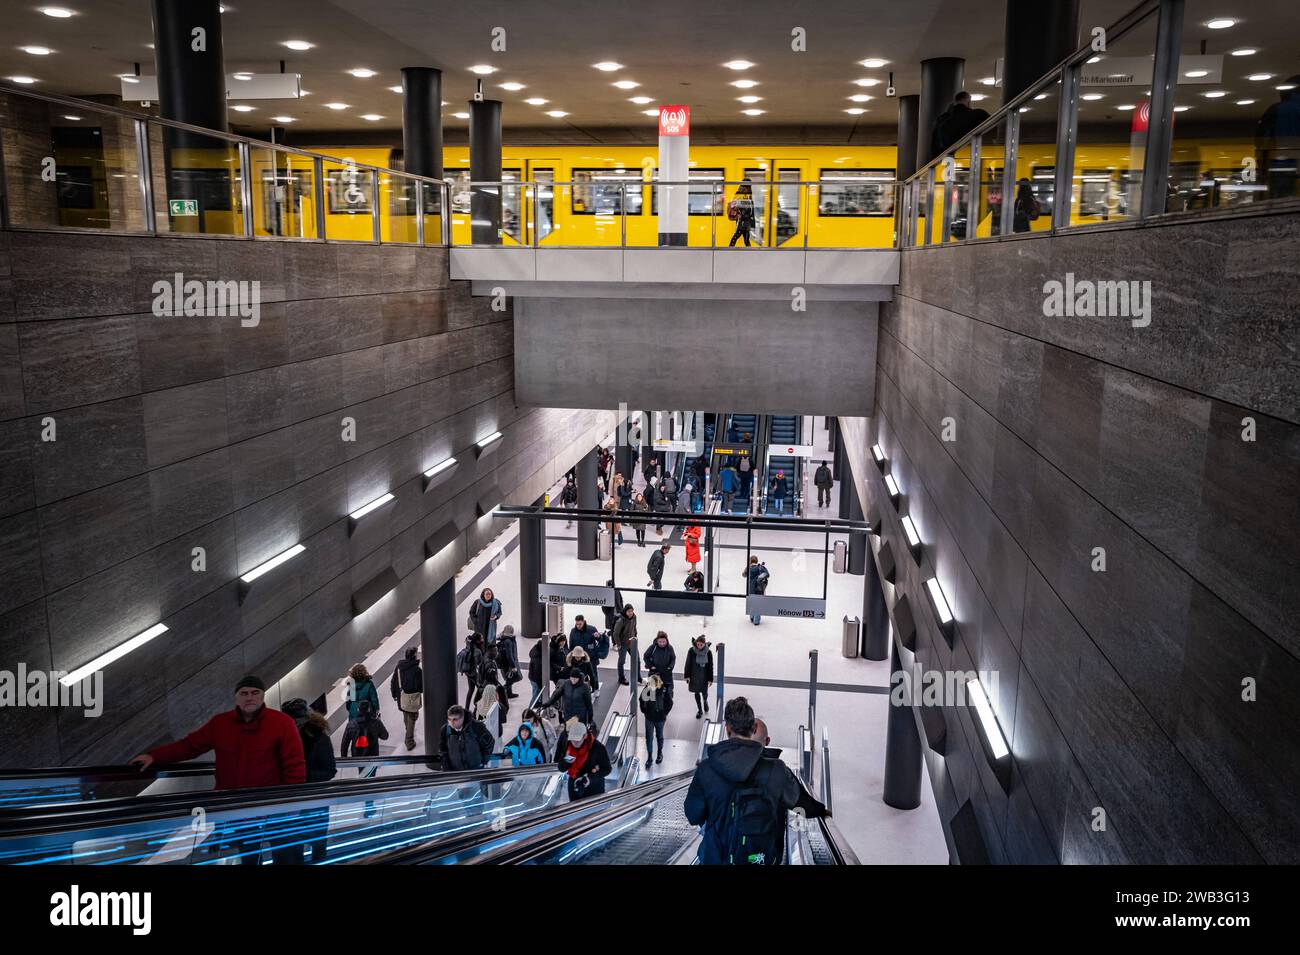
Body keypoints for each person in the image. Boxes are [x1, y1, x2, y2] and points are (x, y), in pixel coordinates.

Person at [131, 675, 306, 791]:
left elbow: (295, 764)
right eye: (244, 693)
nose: (249, 697)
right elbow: (189, 746)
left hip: (265, 803)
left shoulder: (282, 723)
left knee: (279, 846)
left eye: (255, 693)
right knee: (241, 847)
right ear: (236, 698)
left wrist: (290, 800)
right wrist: (154, 756)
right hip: (228, 802)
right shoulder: (220, 723)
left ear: (262, 696)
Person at [683, 696, 801, 865]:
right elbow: (797, 803)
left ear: (727, 728)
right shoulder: (777, 769)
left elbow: (693, 815)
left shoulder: (706, 769)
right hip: (759, 858)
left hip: (716, 857)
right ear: (754, 728)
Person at [282, 698, 335, 864]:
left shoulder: (319, 738)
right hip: (290, 802)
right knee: (293, 849)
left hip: (313, 801)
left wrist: (301, 776)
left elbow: (329, 770)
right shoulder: (281, 739)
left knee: (317, 846)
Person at [556, 718, 612, 802]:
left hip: (594, 789)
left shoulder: (598, 748)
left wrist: (590, 777)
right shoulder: (569, 746)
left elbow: (607, 769)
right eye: (573, 739)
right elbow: (561, 768)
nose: (575, 743)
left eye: (578, 739)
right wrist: (567, 760)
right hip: (574, 787)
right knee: (574, 812)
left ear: (585, 736)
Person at [439, 705, 495, 771]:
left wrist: (483, 761)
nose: (452, 723)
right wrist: (446, 767)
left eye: (455, 719)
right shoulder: (445, 730)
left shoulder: (477, 726)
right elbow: (443, 750)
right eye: (449, 719)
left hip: (475, 770)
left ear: (462, 718)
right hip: (455, 773)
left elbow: (489, 743)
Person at [390, 646, 423, 751]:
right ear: (414, 655)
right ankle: (409, 741)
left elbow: (394, 681)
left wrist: (394, 694)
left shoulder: (399, 667)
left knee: (406, 715)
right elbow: (420, 686)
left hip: (402, 696)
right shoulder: (417, 670)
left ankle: (408, 730)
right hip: (412, 697)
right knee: (412, 718)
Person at [343, 662, 381, 747]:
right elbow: (374, 699)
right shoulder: (369, 684)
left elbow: (348, 702)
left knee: (355, 735)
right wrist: (376, 710)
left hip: (354, 713)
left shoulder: (352, 686)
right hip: (366, 711)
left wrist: (351, 710)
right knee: (368, 733)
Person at [638, 674, 673, 765]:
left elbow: (669, 703)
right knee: (649, 737)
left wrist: (664, 713)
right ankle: (650, 756)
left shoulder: (663, 691)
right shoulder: (647, 690)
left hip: (660, 718)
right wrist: (644, 711)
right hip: (649, 717)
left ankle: (659, 753)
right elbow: (641, 700)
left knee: (659, 736)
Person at [684, 635, 714, 718]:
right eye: (698, 644)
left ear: (704, 644)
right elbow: (688, 663)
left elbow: (710, 666)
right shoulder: (691, 651)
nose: (699, 646)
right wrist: (687, 675)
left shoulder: (708, 652)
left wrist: (710, 679)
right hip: (694, 675)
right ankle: (700, 710)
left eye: (701, 645)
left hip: (704, 676)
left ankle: (705, 701)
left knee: (704, 693)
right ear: (695, 643)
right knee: (696, 692)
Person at [568, 615, 601, 691]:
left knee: (593, 674)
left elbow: (599, 640)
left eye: (580, 624)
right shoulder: (573, 631)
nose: (578, 626)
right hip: (578, 658)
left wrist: (599, 637)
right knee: (579, 674)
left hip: (591, 657)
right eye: (577, 624)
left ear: (583, 621)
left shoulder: (591, 629)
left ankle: (595, 688)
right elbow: (571, 645)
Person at [457, 632, 487, 710]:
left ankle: (467, 708)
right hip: (474, 674)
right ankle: (478, 707)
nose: (483, 640)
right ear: (478, 641)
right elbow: (479, 664)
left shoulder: (469, 646)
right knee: (481, 690)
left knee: (471, 690)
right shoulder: (478, 651)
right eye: (481, 638)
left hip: (468, 672)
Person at [612, 603, 638, 686]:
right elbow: (615, 634)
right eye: (629, 611)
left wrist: (635, 637)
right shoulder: (621, 620)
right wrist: (619, 645)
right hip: (623, 644)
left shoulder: (634, 617)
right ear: (625, 611)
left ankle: (638, 677)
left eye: (632, 611)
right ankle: (621, 678)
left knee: (637, 659)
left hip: (632, 643)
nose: (631, 613)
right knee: (621, 662)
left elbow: (634, 627)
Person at [728, 178, 757, 247]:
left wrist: (752, 222)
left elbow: (751, 208)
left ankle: (749, 252)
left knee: (746, 238)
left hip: (747, 220)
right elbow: (733, 205)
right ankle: (730, 249)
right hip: (741, 220)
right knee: (738, 235)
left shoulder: (749, 195)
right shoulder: (739, 194)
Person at [495, 624, 522, 699]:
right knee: (511, 678)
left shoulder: (504, 638)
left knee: (509, 678)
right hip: (508, 663)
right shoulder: (508, 641)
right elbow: (509, 655)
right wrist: (513, 666)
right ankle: (501, 692)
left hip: (504, 663)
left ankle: (509, 693)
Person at [744, 555, 770, 625]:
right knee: (758, 603)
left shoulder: (749, 568)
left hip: (751, 589)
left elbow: (743, 575)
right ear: (757, 561)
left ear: (750, 561)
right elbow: (768, 574)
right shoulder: (761, 567)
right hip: (759, 588)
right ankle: (756, 621)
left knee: (752, 602)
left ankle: (752, 617)